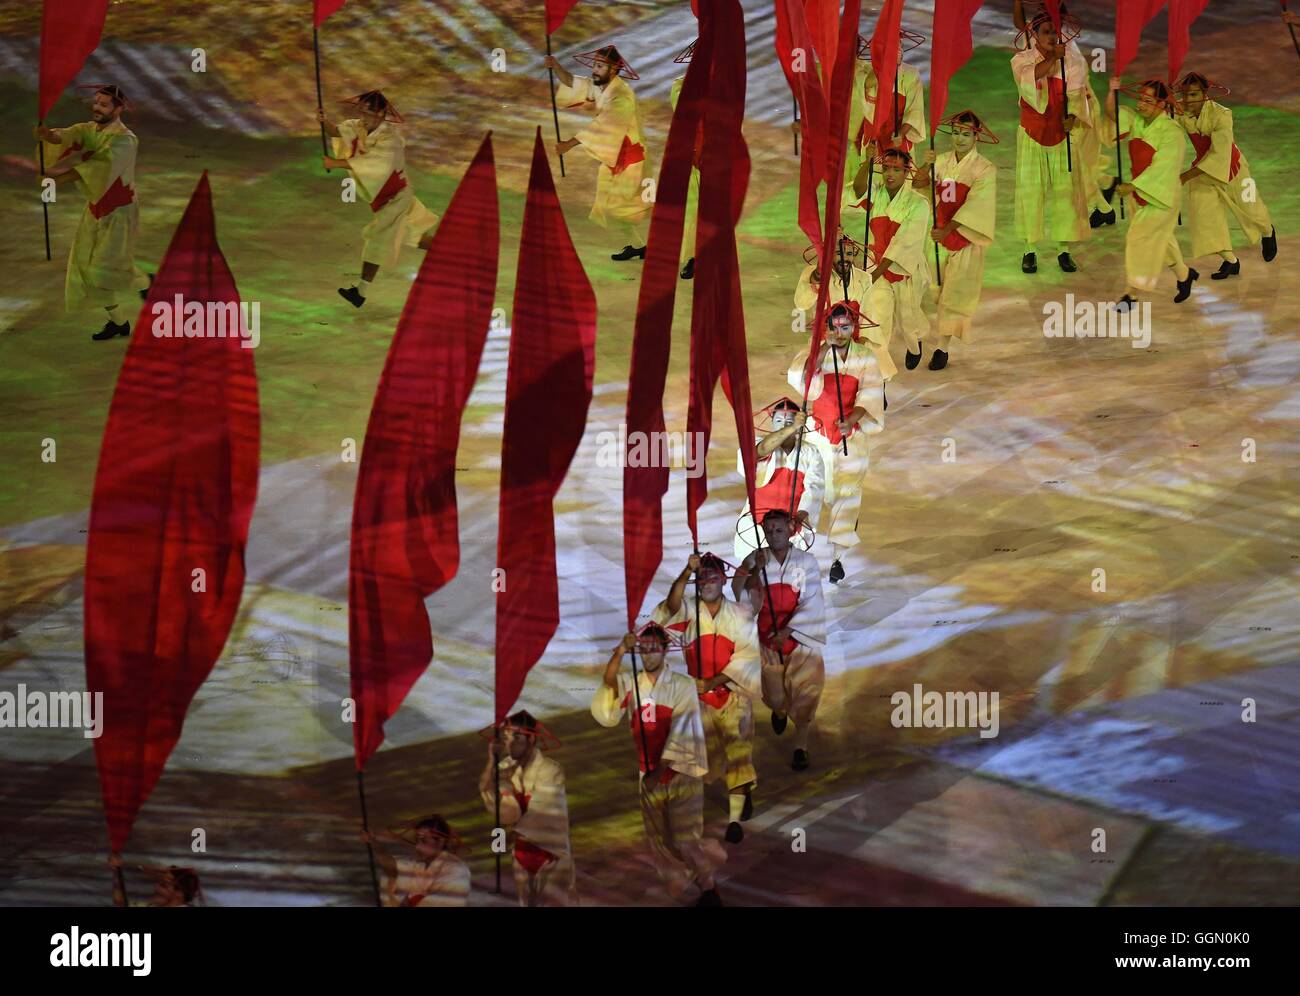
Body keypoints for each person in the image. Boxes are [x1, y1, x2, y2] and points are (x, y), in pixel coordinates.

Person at [591, 624, 723, 906]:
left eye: (654, 648)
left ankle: (710, 890)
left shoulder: (683, 685)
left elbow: (683, 733)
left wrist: (659, 772)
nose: (648, 654)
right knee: (661, 840)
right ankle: (694, 878)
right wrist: (621, 650)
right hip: (647, 771)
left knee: (686, 839)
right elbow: (609, 683)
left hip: (680, 772)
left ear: (664, 651)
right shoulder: (633, 683)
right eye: (643, 648)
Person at [653, 554, 761, 844]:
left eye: (712, 577)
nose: (706, 583)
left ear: (723, 580)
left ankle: (735, 820)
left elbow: (747, 659)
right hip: (699, 700)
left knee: (738, 753)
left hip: (733, 696)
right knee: (702, 758)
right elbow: (669, 607)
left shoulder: (740, 614)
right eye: (701, 578)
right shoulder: (689, 610)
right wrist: (686, 569)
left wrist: (712, 682)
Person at [35, 84, 150, 341]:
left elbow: (98, 168)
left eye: (104, 104)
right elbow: (69, 136)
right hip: (95, 210)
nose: (97, 107)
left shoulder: (125, 140)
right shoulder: (90, 129)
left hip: (119, 211)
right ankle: (119, 322)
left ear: (118, 108)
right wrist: (48, 135)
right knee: (86, 270)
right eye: (96, 102)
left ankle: (147, 284)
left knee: (102, 271)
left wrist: (54, 180)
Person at [788, 303, 885, 585]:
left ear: (853, 328)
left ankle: (837, 558)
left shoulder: (865, 357)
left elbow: (870, 394)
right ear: (827, 328)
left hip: (849, 438)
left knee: (847, 494)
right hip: (817, 436)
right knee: (810, 490)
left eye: (846, 327)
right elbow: (805, 383)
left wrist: (851, 420)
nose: (840, 333)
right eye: (835, 327)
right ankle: (797, 549)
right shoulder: (815, 353)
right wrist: (821, 350)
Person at [319, 90, 439, 308]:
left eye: (369, 112)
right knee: (415, 236)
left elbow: (373, 166)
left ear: (381, 114)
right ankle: (455, 253)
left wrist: (335, 163)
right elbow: (338, 132)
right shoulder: (358, 127)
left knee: (376, 239)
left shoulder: (390, 140)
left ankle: (360, 292)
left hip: (396, 198)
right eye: (362, 112)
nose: (364, 117)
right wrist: (323, 121)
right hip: (385, 199)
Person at [732, 509, 827, 771]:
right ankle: (779, 709)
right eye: (769, 531)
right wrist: (755, 571)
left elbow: (813, 598)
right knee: (774, 695)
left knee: (805, 693)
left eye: (779, 530)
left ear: (790, 530)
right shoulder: (754, 558)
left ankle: (801, 745)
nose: (774, 536)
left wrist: (789, 631)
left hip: (800, 638)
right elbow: (740, 592)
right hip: (767, 638)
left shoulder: (806, 561)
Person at [544, 45, 651, 261]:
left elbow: (602, 126)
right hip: (614, 158)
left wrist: (569, 144)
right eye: (594, 64)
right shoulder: (600, 85)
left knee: (619, 209)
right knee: (605, 208)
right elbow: (574, 83)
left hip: (630, 160)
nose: (594, 69)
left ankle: (658, 242)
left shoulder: (622, 96)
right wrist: (556, 66)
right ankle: (638, 246)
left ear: (613, 69)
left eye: (600, 66)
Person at [912, 111, 998, 370]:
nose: (960, 139)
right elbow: (918, 183)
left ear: (976, 136)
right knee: (936, 291)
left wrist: (948, 229)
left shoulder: (985, 169)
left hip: (965, 239)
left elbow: (976, 208)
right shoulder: (941, 161)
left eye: (966, 134)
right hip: (938, 237)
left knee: (954, 296)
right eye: (957, 134)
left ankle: (942, 347)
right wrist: (926, 165)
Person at [1105, 78, 1198, 310]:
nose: (1140, 105)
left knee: (1139, 239)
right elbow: (1113, 114)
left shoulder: (1171, 132)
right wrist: (1112, 91)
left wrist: (1134, 186)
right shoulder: (1138, 121)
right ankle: (1185, 275)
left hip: (1161, 194)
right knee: (1162, 239)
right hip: (1141, 193)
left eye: (1148, 101)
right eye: (1140, 99)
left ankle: (1131, 293)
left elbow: (1163, 168)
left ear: (1162, 105)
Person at [1011, 11, 1093, 273]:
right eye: (1045, 31)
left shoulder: (1073, 62)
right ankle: (1029, 249)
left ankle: (1063, 250)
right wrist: (1054, 58)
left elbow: (1078, 98)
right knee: (1030, 193)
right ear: (1034, 34)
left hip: (1061, 136)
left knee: (1065, 195)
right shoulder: (1021, 59)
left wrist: (1073, 117)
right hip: (1032, 135)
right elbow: (1031, 78)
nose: (1051, 36)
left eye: (1054, 32)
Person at [1173, 72, 1277, 278]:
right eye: (1184, 95)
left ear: (1204, 94)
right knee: (1204, 218)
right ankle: (1231, 261)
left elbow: (1220, 155)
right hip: (1203, 173)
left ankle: (1267, 232)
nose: (1187, 100)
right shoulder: (1182, 111)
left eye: (1193, 95)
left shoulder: (1222, 114)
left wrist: (1184, 177)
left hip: (1234, 169)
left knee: (1253, 210)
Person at [478, 710, 577, 906]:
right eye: (507, 737)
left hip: (552, 854)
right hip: (522, 855)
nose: (510, 742)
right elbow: (487, 791)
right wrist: (492, 760)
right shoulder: (506, 767)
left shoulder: (550, 770)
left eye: (517, 736)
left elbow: (541, 812)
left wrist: (505, 838)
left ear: (531, 738)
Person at [733, 398, 826, 561]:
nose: (783, 425)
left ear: (800, 425)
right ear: (771, 423)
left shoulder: (811, 452)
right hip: (756, 526)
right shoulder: (758, 443)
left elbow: (814, 491)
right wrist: (792, 427)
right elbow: (760, 451)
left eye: (789, 421)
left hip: (790, 528)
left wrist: (796, 522)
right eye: (778, 421)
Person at [864, 149, 931, 372]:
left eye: (896, 169)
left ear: (907, 173)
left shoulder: (919, 204)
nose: (890, 174)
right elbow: (853, 191)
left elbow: (903, 244)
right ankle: (879, 371)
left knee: (907, 319)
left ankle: (915, 342)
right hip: (878, 268)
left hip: (906, 270)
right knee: (879, 318)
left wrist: (874, 274)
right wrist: (867, 162)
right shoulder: (876, 193)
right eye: (885, 168)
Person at [363, 814, 471, 907]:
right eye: (417, 840)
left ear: (440, 842)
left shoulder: (456, 871)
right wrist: (373, 842)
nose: (417, 846)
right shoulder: (419, 864)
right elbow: (392, 867)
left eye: (424, 840)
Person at [670, 39, 701, 280]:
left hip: (717, 160)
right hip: (692, 161)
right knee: (691, 212)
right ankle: (692, 257)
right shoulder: (679, 87)